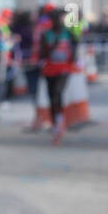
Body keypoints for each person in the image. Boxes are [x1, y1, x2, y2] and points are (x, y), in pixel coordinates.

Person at [39, 9, 75, 145]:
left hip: (64, 68)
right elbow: (42, 53)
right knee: (51, 97)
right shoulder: (46, 34)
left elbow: (74, 48)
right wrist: (52, 47)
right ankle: (55, 122)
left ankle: (60, 121)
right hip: (50, 69)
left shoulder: (68, 33)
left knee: (57, 93)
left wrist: (74, 59)